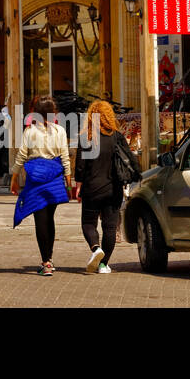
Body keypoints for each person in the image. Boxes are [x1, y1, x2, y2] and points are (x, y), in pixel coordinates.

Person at [11, 96, 73, 276]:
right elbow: (64, 157)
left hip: (35, 180)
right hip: (54, 179)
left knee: (41, 220)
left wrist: (14, 178)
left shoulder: (29, 132)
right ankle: (50, 259)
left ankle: (45, 261)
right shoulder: (60, 131)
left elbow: (22, 155)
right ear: (53, 113)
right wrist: (68, 181)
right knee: (50, 219)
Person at [75, 101, 128, 274]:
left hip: (92, 188)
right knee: (110, 227)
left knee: (88, 223)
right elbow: (128, 159)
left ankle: (95, 248)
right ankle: (104, 264)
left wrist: (78, 186)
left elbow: (80, 166)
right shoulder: (117, 137)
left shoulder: (86, 137)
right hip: (114, 189)